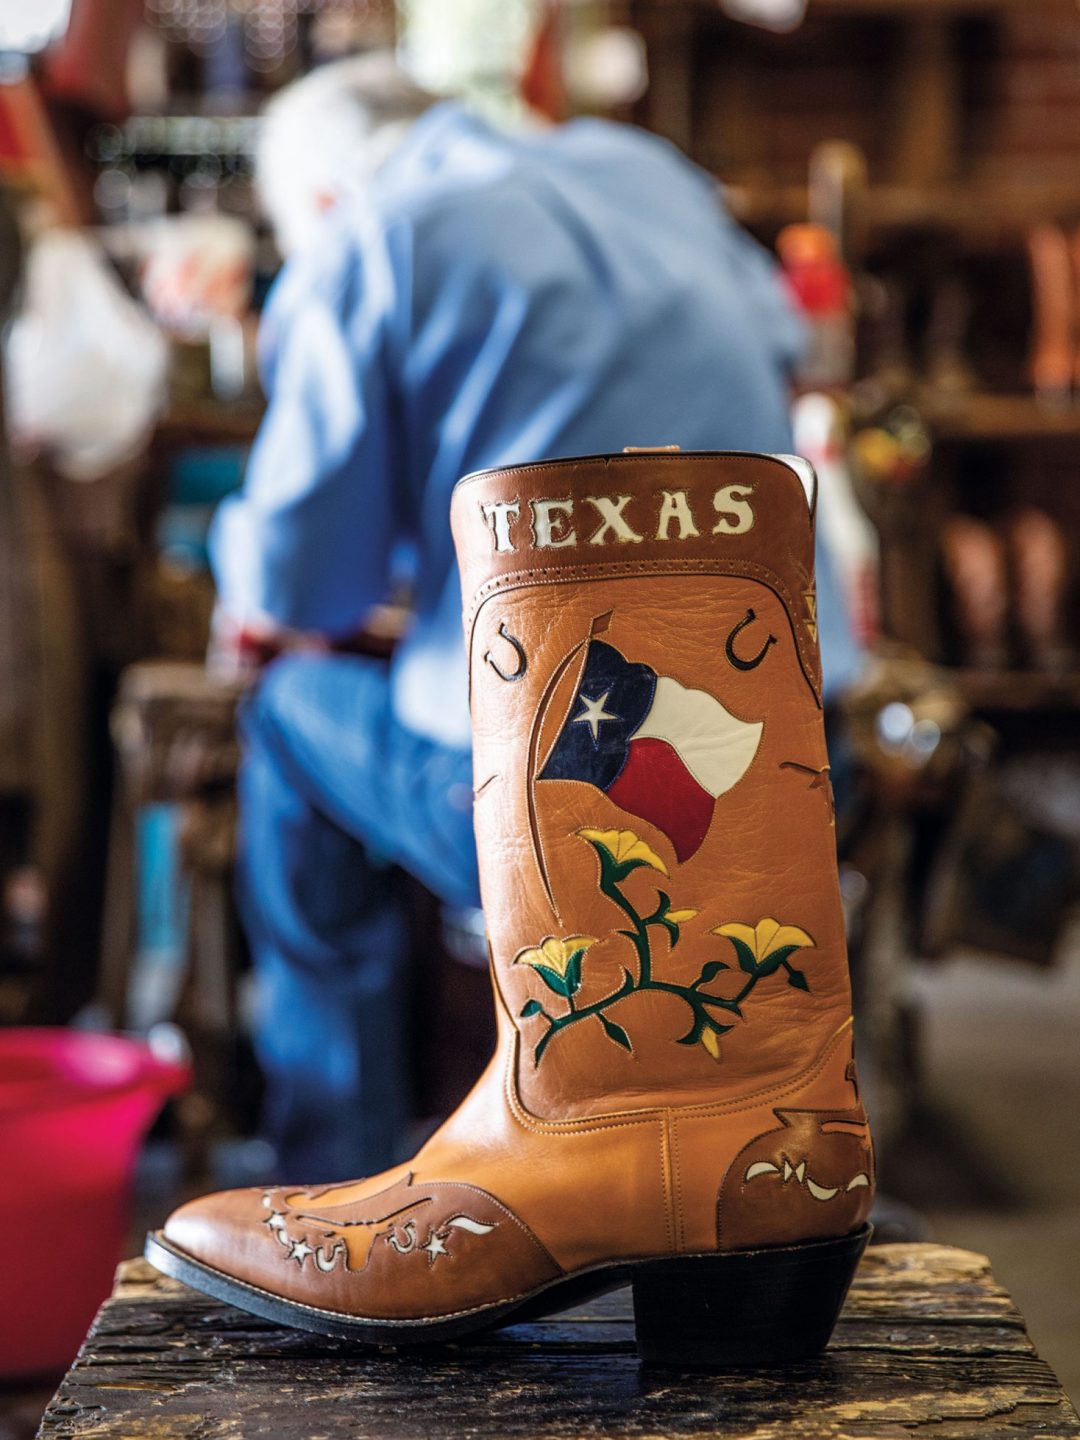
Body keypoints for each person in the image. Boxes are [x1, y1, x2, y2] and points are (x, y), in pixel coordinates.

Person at [211, 51, 860, 1179]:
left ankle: (335, 1168)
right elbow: (790, 349)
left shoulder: (376, 235)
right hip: (809, 757)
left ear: (318, 201)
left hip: (566, 789)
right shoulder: (651, 172)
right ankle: (767, 1154)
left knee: (285, 715)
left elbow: (298, 589)